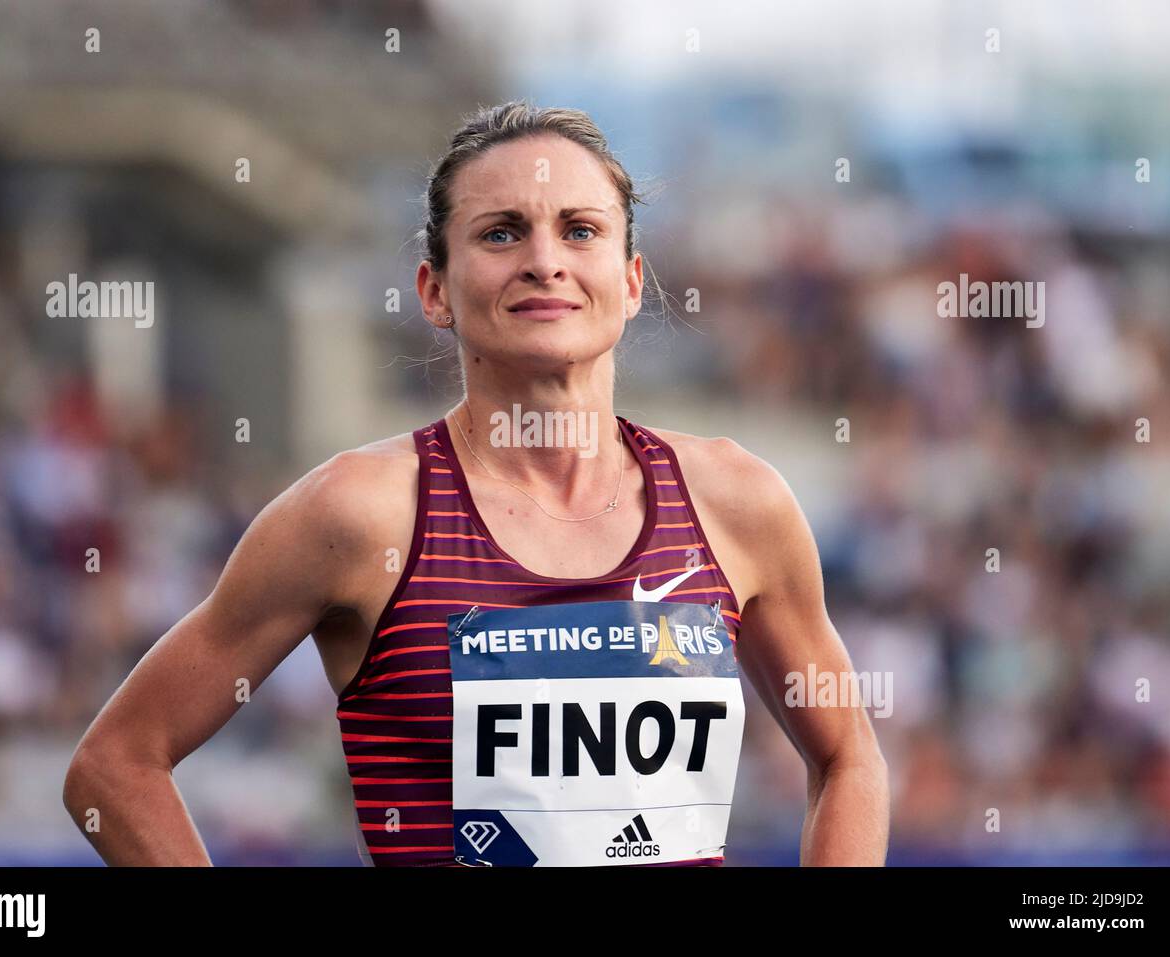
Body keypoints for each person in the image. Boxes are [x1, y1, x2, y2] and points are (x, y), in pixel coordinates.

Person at [63, 100, 889, 867]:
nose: (543, 262)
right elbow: (115, 765)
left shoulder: (735, 502)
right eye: (500, 233)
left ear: (632, 280)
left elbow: (850, 756)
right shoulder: (359, 514)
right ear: (435, 291)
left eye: (579, 230)